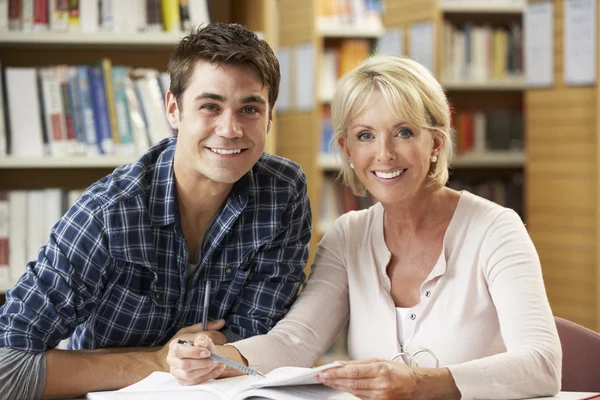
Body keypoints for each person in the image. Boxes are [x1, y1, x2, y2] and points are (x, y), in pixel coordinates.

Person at [166, 55, 562, 400]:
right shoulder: (347, 235)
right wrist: (216, 359)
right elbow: (295, 340)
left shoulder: (496, 229)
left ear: (436, 143)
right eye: (365, 136)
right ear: (347, 150)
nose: (384, 153)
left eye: (404, 132)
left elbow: (543, 364)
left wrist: (422, 385)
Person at [0, 23, 312, 400]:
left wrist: (213, 343)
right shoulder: (110, 212)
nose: (230, 129)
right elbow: (7, 364)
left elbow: (260, 332)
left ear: (269, 117)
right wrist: (159, 361)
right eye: (210, 106)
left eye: (249, 109)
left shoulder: (283, 190)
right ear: (173, 110)